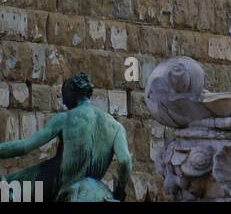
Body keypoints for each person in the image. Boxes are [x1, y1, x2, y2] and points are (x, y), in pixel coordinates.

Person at [0, 72, 132, 201]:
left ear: (70, 95)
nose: (64, 102)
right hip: (97, 188)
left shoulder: (65, 118)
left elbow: (25, 146)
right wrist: (119, 192)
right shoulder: (116, 127)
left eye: (64, 97)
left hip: (58, 185)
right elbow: (125, 160)